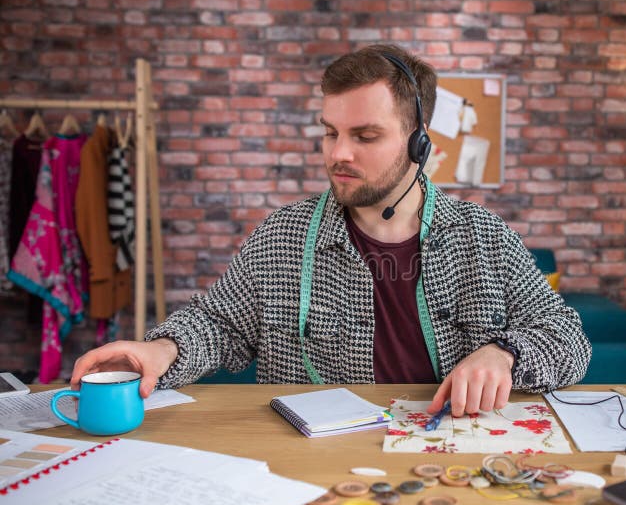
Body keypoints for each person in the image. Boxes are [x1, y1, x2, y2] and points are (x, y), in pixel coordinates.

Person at [70, 44, 591, 418]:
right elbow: (218, 325)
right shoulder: (282, 236)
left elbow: (567, 338)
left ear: (419, 143)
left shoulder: (484, 237)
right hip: (310, 465)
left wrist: (504, 353)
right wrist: (161, 350)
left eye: (365, 135)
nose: (338, 153)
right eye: (330, 132)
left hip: (448, 459)